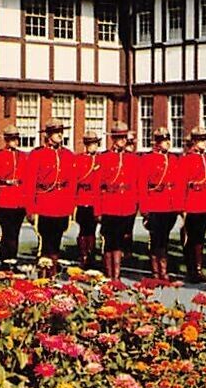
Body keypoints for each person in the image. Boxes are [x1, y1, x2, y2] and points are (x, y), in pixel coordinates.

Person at [23, 120, 77, 270]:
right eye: (55, 132)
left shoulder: (68, 155)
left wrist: (70, 206)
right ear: (47, 135)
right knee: (44, 245)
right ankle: (42, 280)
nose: (60, 134)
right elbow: (30, 184)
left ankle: (52, 277)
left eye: (61, 131)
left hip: (61, 206)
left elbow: (72, 183)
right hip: (44, 205)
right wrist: (30, 209)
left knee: (56, 244)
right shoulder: (37, 154)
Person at [95, 121, 137, 283]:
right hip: (109, 204)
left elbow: (135, 184)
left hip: (125, 205)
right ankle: (109, 274)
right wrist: (97, 211)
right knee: (109, 240)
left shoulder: (132, 159)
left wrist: (134, 206)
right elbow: (97, 187)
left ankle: (117, 276)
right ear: (113, 139)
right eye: (119, 138)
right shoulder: (104, 158)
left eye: (124, 138)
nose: (123, 141)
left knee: (120, 241)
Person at [139, 126, 181, 284]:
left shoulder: (173, 159)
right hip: (155, 204)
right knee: (156, 239)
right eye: (164, 140)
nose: (167, 143)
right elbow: (143, 185)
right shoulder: (147, 159)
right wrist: (144, 209)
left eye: (168, 139)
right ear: (156, 143)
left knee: (165, 239)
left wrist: (177, 206)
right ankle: (156, 272)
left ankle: (164, 271)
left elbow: (177, 183)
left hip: (169, 205)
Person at [178, 128, 206, 284]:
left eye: (205, 139)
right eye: (201, 140)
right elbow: (182, 184)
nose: (204, 142)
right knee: (191, 238)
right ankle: (191, 270)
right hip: (192, 203)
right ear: (194, 142)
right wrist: (182, 208)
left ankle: (199, 269)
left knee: (200, 238)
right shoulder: (186, 160)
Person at [0, 124, 27, 268]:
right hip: (4, 199)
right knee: (6, 233)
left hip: (19, 200)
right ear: (6, 140)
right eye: (12, 139)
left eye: (17, 138)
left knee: (15, 233)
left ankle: (13, 261)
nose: (16, 141)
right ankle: (4, 261)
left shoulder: (22, 156)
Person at [72, 130, 103, 269]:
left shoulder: (100, 160)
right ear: (86, 145)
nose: (94, 146)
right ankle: (83, 255)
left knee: (93, 229)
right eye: (91, 144)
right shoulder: (79, 159)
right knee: (84, 229)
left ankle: (91, 255)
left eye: (95, 144)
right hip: (82, 199)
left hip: (95, 200)